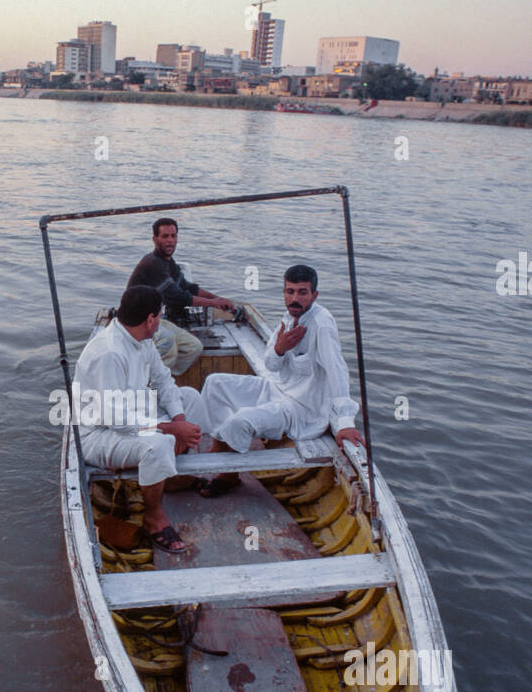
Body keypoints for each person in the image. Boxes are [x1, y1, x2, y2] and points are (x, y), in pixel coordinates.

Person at [199, 264, 365, 496]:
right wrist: (279, 348)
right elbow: (271, 365)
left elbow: (338, 370)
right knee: (214, 382)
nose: (294, 298)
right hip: (276, 388)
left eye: (302, 292)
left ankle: (228, 473)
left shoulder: (321, 324)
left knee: (240, 421)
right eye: (289, 291)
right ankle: (219, 443)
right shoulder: (289, 317)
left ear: (314, 296)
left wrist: (346, 422)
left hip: (299, 409)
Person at [73, 284, 209, 552]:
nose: (161, 320)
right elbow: (116, 420)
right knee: (156, 445)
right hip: (99, 434)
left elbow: (163, 381)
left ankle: (171, 477)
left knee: (190, 397)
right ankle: (154, 517)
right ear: (150, 319)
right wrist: (170, 429)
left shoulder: (142, 339)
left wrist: (178, 420)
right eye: (160, 315)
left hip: (134, 414)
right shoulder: (109, 353)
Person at [127, 218, 236, 376]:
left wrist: (218, 300)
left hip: (154, 318)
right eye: (165, 236)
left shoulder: (169, 263)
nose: (170, 240)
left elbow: (188, 288)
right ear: (154, 239)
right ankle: (147, 385)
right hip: (136, 321)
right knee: (168, 339)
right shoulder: (152, 263)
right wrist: (213, 303)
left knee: (194, 347)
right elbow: (179, 298)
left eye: (173, 236)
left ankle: (163, 380)